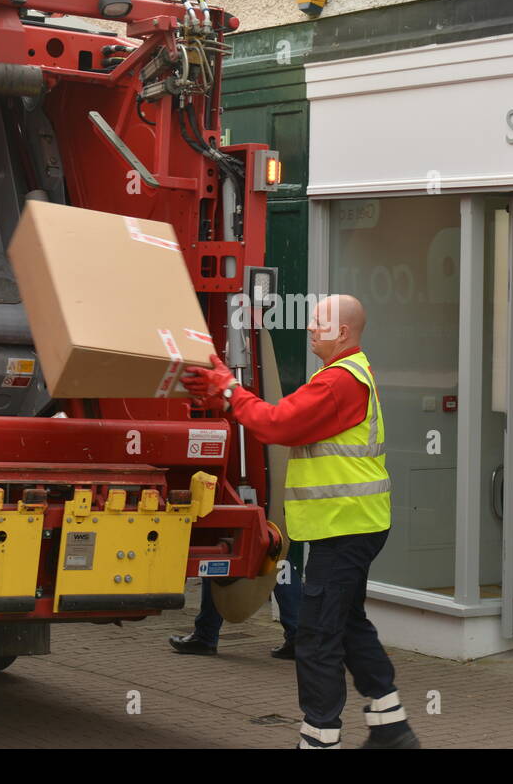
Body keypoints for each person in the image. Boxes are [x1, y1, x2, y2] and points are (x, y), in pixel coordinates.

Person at [181, 294, 419, 749]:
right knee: (347, 623)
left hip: (342, 527)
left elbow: (276, 424)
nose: (310, 328)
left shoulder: (338, 382)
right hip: (355, 523)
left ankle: (320, 738)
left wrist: (229, 390)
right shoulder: (347, 375)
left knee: (317, 636)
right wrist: (228, 394)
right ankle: (391, 728)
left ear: (342, 332)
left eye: (318, 323)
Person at [167, 543, 303, 658]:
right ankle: (298, 637)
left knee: (218, 557)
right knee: (280, 559)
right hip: (278, 517)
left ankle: (205, 636)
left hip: (241, 515)